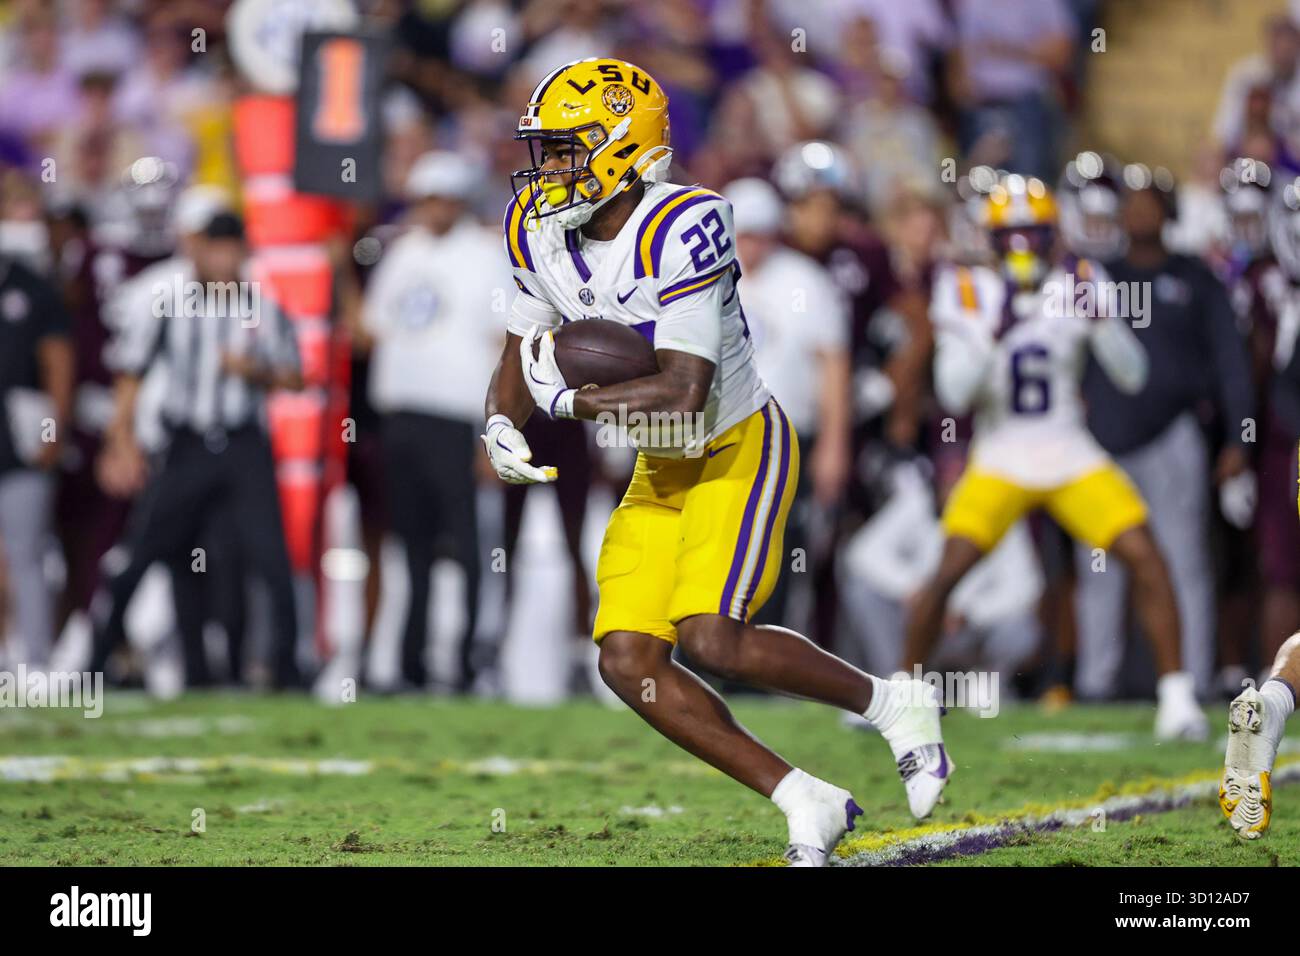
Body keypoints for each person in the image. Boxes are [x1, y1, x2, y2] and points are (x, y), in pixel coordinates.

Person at [481, 58, 949, 867]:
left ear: (626, 149)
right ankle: (805, 797)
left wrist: (564, 406)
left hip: (735, 442)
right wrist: (500, 420)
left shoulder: (684, 223)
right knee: (627, 661)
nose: (550, 168)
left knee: (713, 638)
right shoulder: (535, 225)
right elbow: (524, 344)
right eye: (547, 150)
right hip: (659, 466)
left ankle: (892, 701)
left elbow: (685, 388)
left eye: (568, 149)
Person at [901, 173, 1208, 740]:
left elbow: (1132, 375)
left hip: (1069, 452)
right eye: (1011, 234)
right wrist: (996, 328)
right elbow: (953, 393)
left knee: (1145, 556)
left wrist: (1104, 323)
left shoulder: (1083, 279)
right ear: (990, 238)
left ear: (1052, 235)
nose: (1022, 247)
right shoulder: (966, 289)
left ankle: (1177, 697)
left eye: (1033, 234)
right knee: (945, 573)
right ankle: (898, 696)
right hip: (1000, 456)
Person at [90, 211, 304, 689]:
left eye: (231, 249)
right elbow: (131, 374)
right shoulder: (169, 305)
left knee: (269, 556)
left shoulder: (263, 309)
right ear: (198, 250)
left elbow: (296, 376)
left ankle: (287, 671)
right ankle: (96, 660)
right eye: (215, 248)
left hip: (244, 445)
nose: (223, 259)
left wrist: (254, 372)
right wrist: (120, 440)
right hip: (185, 444)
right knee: (141, 551)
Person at [1075, 166, 1255, 702]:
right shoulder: (1096, 277)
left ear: (1168, 211)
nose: (1138, 213)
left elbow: (1232, 363)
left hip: (1174, 436)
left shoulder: (1196, 277)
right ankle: (1094, 681)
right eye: (1129, 203)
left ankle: (1192, 680)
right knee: (1100, 564)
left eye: (1149, 203)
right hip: (1101, 442)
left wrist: (1238, 440)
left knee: (1183, 560)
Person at [360, 151, 509, 692]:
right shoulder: (403, 253)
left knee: (469, 548)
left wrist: (496, 431)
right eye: (425, 197)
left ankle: (472, 661)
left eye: (442, 197)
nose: (433, 207)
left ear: (461, 200)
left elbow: (506, 348)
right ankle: (410, 663)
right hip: (401, 418)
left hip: (457, 422)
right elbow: (370, 329)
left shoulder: (485, 256)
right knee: (413, 548)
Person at [722, 176, 850, 631]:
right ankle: (710, 662)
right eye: (744, 232)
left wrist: (835, 446)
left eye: (760, 232)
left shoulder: (805, 281)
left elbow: (834, 365)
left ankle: (762, 661)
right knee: (717, 545)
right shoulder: (705, 276)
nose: (751, 243)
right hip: (722, 436)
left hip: (788, 436)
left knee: (778, 547)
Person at [0, 246, 74, 667]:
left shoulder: (29, 286)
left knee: (26, 553)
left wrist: (53, 431)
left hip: (18, 442)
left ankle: (36, 660)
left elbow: (58, 361)